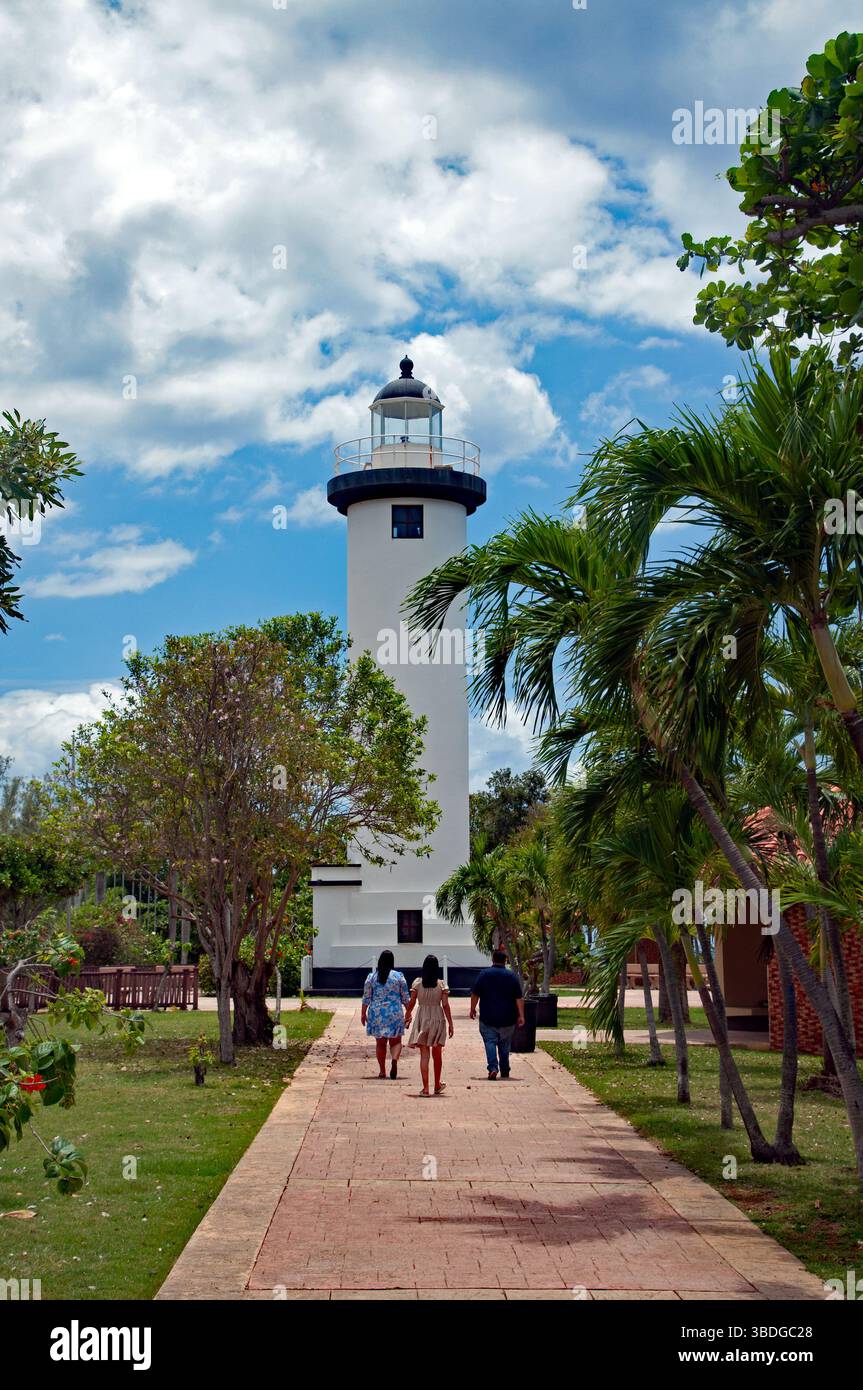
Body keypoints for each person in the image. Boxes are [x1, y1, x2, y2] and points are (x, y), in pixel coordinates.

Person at [469, 950, 525, 1079]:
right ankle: (505, 1069)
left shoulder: (484, 974)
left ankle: (493, 1068)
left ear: (492, 960)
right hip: (508, 1018)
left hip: (488, 1017)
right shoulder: (511, 976)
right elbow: (519, 997)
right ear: (505, 961)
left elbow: (475, 993)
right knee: (505, 1045)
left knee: (490, 1042)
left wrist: (472, 1009)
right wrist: (521, 1015)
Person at [405, 954, 454, 1096]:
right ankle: (437, 1085)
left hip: (422, 1018)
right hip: (438, 1018)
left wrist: (407, 1014)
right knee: (437, 1054)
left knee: (424, 1055)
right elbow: (445, 1005)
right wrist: (451, 1023)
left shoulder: (417, 983)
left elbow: (412, 1001)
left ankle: (425, 1088)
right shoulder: (442, 984)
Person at [361, 950, 410, 1079]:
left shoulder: (372, 977)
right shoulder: (398, 977)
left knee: (380, 1043)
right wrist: (409, 1012)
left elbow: (366, 997)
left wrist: (362, 1013)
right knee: (396, 1041)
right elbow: (405, 997)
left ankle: (382, 1071)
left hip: (377, 1014)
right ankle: (394, 1060)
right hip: (394, 1012)